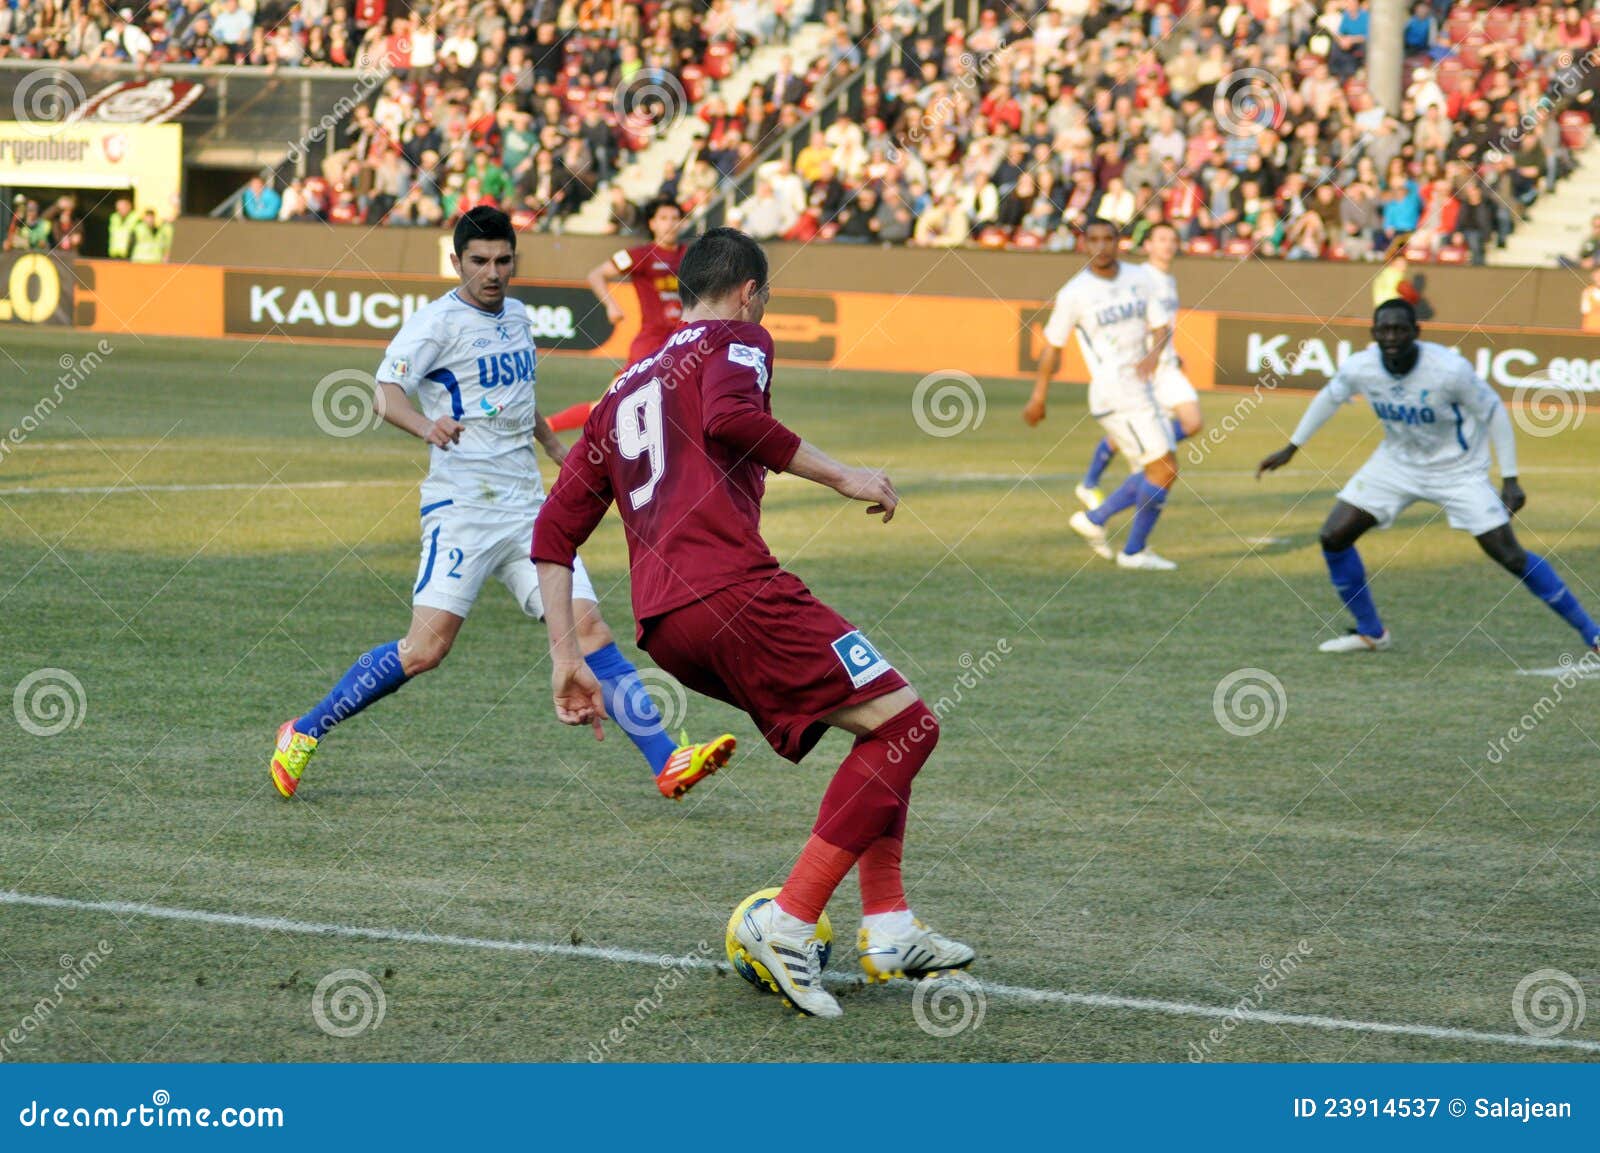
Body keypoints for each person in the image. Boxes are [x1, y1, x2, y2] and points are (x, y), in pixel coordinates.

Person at [532, 228, 973, 1018]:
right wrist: (845, 474)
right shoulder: (737, 336)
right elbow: (734, 415)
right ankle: (791, 919)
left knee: (881, 721)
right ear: (749, 292)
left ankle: (889, 924)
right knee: (909, 727)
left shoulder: (623, 384)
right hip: (732, 590)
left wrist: (566, 656)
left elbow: (554, 532)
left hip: (667, 625)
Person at [270, 207, 734, 801]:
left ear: (515, 259)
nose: (493, 272)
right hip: (462, 508)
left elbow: (516, 396)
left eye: (503, 260)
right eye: (479, 261)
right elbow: (384, 392)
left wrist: (552, 444)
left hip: (527, 508)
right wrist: (425, 425)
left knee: (589, 627)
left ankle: (668, 759)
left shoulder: (516, 315)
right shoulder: (436, 322)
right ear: (457, 261)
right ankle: (303, 731)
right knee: (425, 649)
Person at [1257, 299, 1598, 653]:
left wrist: (1510, 478)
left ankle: (1593, 633)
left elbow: (1493, 410)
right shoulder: (1362, 366)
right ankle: (1372, 632)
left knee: (1510, 555)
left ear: (1416, 332)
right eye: (1384, 330)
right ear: (1373, 333)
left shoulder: (1449, 370)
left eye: (1400, 329)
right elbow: (1330, 397)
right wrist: (1292, 446)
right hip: (1395, 464)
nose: (1391, 337)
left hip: (1458, 470)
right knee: (1334, 536)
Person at [1025, 218, 1179, 571]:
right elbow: (1053, 347)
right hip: (1114, 391)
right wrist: (1038, 396)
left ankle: (1097, 520)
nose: (1101, 246)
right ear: (1083, 245)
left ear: (1118, 242)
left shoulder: (1140, 279)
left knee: (1160, 467)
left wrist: (1154, 355)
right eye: (1092, 239)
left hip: (1141, 387)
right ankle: (1132, 549)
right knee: (1164, 468)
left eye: (1108, 239)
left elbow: (1160, 325)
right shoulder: (1074, 293)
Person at [1075, 222, 1202, 511]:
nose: (1167, 245)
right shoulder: (1141, 278)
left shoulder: (1168, 280)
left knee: (1190, 422)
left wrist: (1171, 352)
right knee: (1137, 431)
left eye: (1172, 239)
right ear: (1148, 246)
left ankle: (1093, 484)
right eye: (1161, 239)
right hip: (1145, 370)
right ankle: (1092, 484)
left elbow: (1163, 324)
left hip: (1165, 365)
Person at [560, 197, 686, 432]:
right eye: (664, 218)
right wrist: (611, 305)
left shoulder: (691, 255)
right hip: (653, 342)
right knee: (609, 404)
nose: (670, 223)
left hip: (686, 343)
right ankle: (545, 428)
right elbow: (596, 274)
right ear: (652, 223)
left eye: (675, 218)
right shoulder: (639, 254)